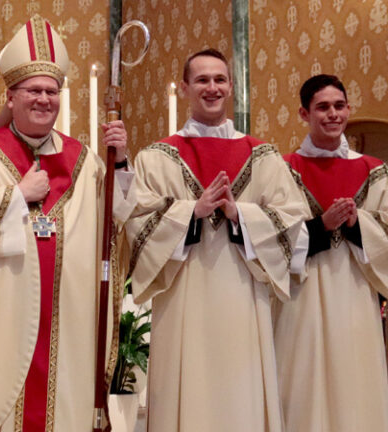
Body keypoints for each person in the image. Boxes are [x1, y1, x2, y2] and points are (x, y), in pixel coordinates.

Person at [0, 14, 135, 432]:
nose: (44, 99)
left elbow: (118, 223)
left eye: (51, 91)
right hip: (2, 318)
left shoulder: (87, 162)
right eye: (33, 90)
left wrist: (122, 162)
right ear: (10, 97)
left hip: (71, 321)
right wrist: (15, 198)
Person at [125, 48, 308, 432]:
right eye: (203, 80)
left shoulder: (263, 156)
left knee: (240, 395)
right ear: (185, 87)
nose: (212, 88)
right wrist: (192, 211)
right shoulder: (157, 157)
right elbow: (137, 224)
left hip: (243, 296)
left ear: (231, 87)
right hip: (182, 299)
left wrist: (238, 214)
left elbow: (293, 222)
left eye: (220, 80)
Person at [274, 74, 388, 432]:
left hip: (354, 296)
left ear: (349, 109)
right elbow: (269, 234)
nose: (332, 114)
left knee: (355, 380)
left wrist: (355, 224)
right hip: (299, 298)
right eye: (322, 107)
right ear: (304, 113)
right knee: (302, 381)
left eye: (339, 106)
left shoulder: (375, 171)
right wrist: (320, 226)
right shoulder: (282, 170)